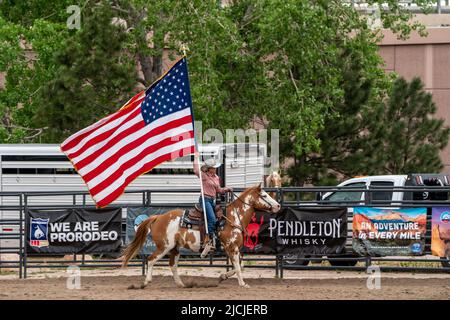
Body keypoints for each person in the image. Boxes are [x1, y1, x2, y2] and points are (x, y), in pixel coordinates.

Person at [193, 151, 233, 253]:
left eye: (216, 167)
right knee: (212, 219)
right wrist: (195, 158)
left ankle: (216, 239)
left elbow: (218, 190)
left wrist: (226, 189)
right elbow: (196, 170)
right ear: (209, 168)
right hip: (205, 199)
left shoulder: (216, 178)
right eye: (214, 167)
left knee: (220, 219)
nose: (215, 169)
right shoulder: (204, 176)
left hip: (212, 200)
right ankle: (208, 240)